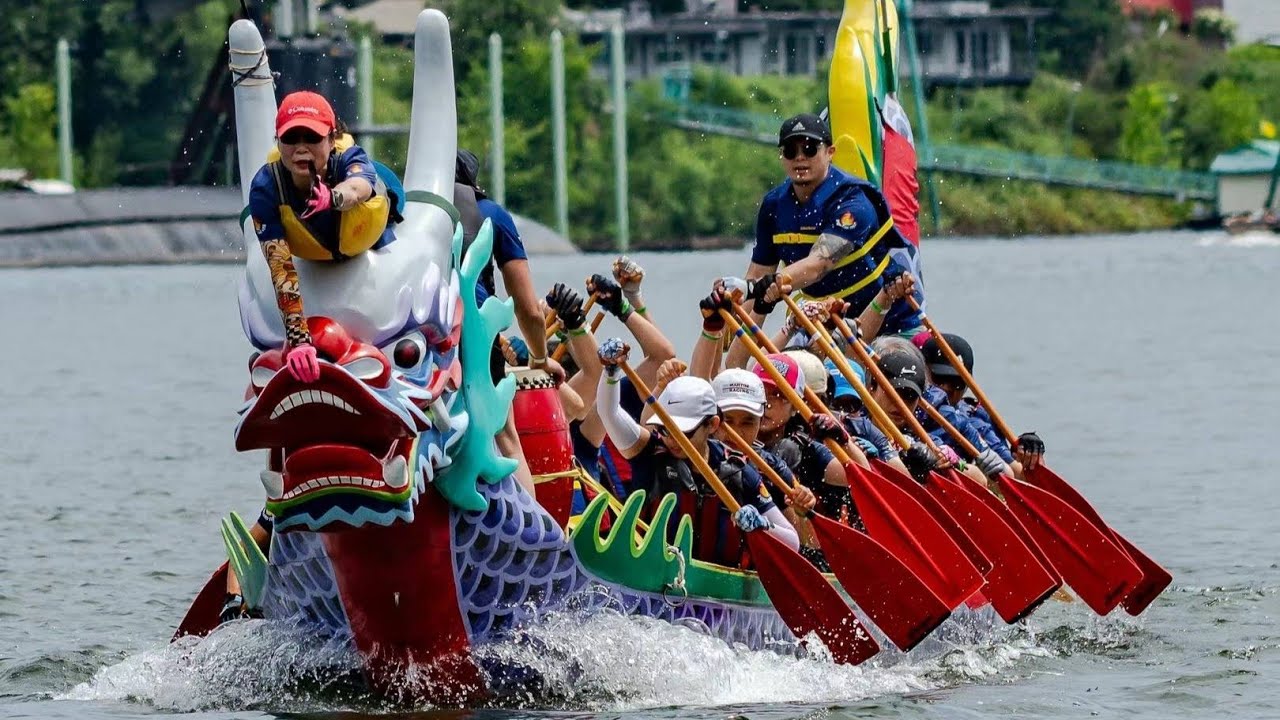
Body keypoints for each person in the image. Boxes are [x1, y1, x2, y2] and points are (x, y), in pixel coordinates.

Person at [594, 340, 799, 567]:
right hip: (651, 576)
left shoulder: (739, 470)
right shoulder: (648, 452)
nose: (672, 440)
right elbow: (608, 413)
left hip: (718, 591)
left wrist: (761, 525)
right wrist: (610, 370)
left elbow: (793, 542)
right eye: (665, 429)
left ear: (712, 424)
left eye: (685, 432)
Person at [733, 113, 926, 341]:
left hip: (892, 327)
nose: (800, 158)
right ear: (782, 157)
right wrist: (726, 316)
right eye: (790, 151)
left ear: (830, 152)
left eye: (810, 149)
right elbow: (756, 278)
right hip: (825, 332)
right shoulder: (773, 206)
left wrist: (771, 283)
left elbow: (819, 265)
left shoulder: (853, 201)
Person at [247, 91, 397, 383]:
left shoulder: (349, 159)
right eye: (291, 139)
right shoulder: (266, 187)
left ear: (331, 139)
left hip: (371, 209)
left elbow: (358, 187)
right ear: (278, 142)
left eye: (312, 138)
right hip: (317, 243)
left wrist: (334, 198)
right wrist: (299, 340)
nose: (301, 149)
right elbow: (281, 268)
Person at [919, 333, 1046, 478]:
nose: (947, 388)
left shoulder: (974, 418)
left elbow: (1017, 475)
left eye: (957, 382)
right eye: (939, 378)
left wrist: (1029, 455)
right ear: (923, 373)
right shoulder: (899, 412)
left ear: (969, 383)